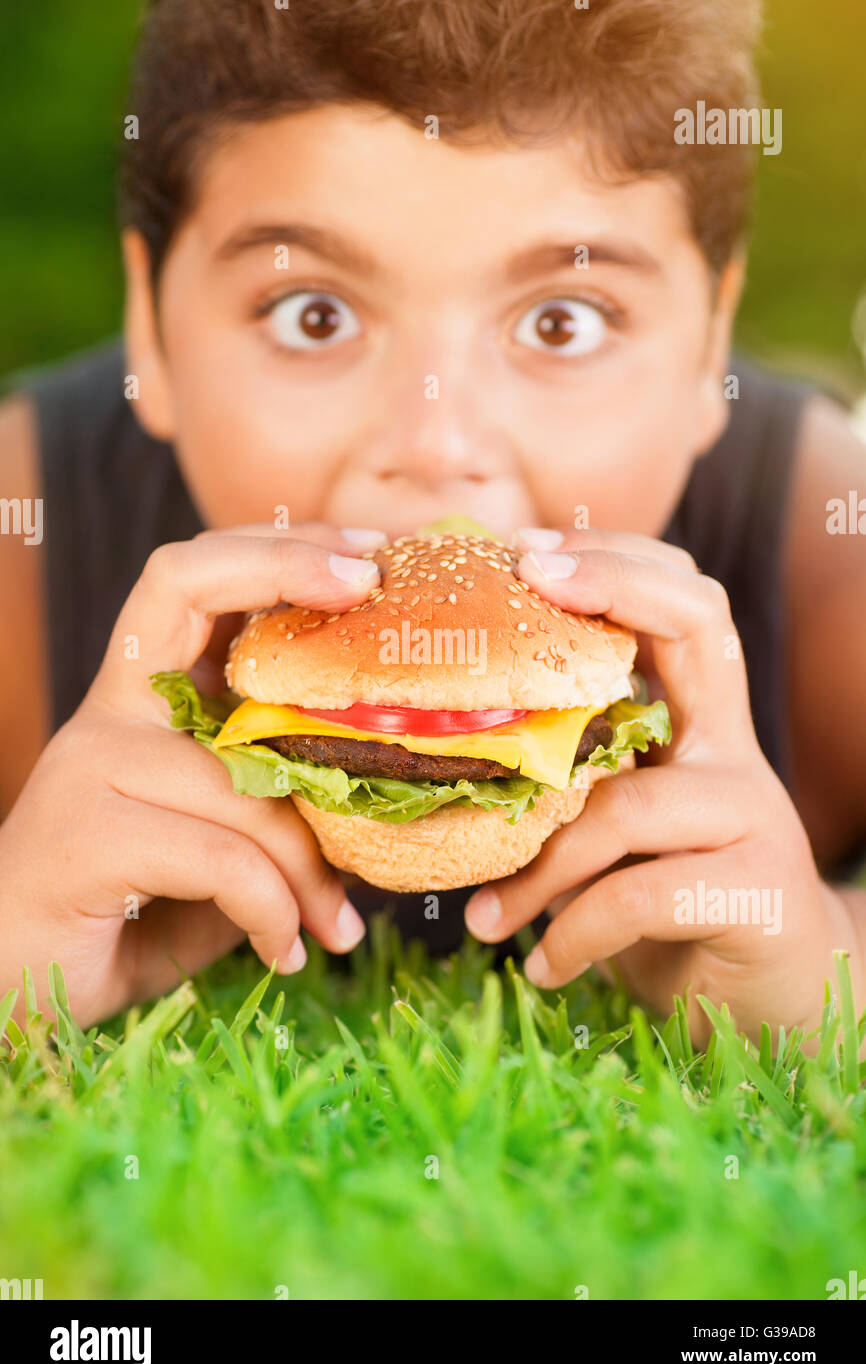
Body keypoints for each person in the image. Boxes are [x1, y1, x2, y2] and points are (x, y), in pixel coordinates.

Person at [0, 0, 863, 1043]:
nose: (434, 442)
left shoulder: (829, 560)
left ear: (706, 349)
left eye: (563, 320)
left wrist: (832, 967)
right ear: (149, 326)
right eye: (310, 313)